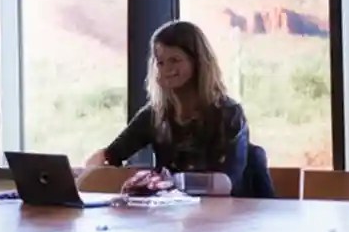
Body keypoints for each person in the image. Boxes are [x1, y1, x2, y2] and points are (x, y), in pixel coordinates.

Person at [86, 19, 255, 197]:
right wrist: (84, 176)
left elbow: (226, 183)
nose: (166, 69)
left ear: (198, 62)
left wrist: (169, 181)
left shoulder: (229, 114)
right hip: (175, 216)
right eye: (160, 62)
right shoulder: (155, 113)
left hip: (230, 216)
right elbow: (111, 155)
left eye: (174, 60)